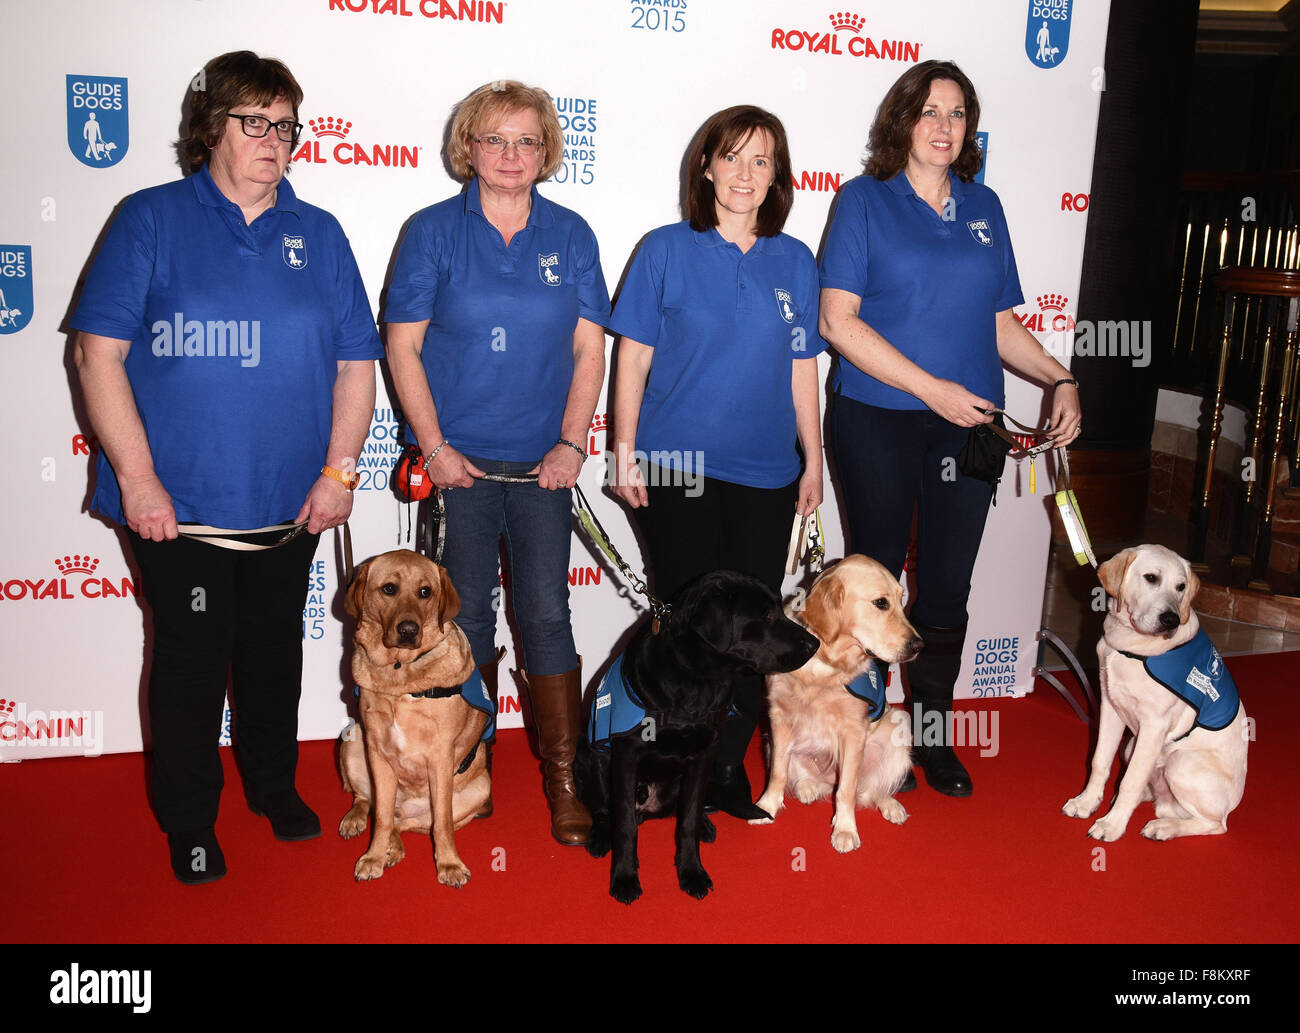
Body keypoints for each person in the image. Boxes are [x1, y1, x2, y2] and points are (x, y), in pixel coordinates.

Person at [71, 51, 381, 882]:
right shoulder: (151, 219)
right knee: (190, 664)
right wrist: (137, 480)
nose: (274, 140)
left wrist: (341, 473)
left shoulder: (319, 233)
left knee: (275, 655)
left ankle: (273, 785)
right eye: (256, 122)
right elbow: (98, 355)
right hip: (180, 507)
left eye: (286, 125)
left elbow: (358, 362)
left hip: (292, 505)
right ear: (212, 128)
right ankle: (189, 819)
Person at [818, 59, 1082, 796]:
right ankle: (862, 736)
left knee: (944, 588)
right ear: (902, 121)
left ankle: (933, 739)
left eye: (957, 113)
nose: (943, 126)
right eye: (929, 111)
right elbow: (837, 322)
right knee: (872, 586)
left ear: (970, 129)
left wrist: (1060, 376)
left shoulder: (985, 206)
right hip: (876, 418)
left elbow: (1000, 326)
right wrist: (932, 388)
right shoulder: (864, 201)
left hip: (969, 431)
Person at [384, 81, 610, 846]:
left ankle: (564, 775)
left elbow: (589, 348)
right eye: (494, 140)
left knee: (547, 611)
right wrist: (436, 447)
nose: (511, 156)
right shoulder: (432, 232)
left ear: (546, 150)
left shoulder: (572, 235)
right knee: (464, 615)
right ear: (468, 148)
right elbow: (402, 346)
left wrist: (573, 441)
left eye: (526, 141)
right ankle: (463, 764)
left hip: (544, 468)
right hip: (459, 468)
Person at [609, 105, 826, 818]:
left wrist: (813, 464)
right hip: (676, 470)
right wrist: (623, 448)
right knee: (689, 633)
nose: (744, 173)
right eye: (731, 157)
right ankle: (665, 771)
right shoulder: (664, 249)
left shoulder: (795, 262)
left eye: (761, 161)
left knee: (751, 636)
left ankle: (724, 768)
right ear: (705, 166)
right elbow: (632, 356)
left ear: (777, 177)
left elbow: (802, 373)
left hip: (767, 475)